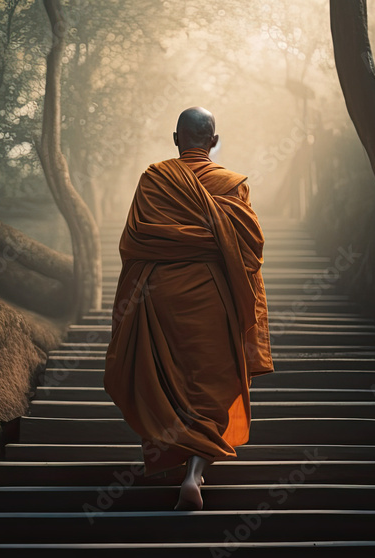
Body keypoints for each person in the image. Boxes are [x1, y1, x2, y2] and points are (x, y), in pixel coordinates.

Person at [104, 107, 274, 510]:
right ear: (214, 141)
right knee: (210, 387)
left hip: (158, 295)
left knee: (163, 377)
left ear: (176, 138)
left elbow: (133, 241)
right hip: (212, 298)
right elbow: (249, 251)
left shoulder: (155, 179)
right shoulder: (232, 185)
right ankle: (194, 475)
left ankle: (169, 453)